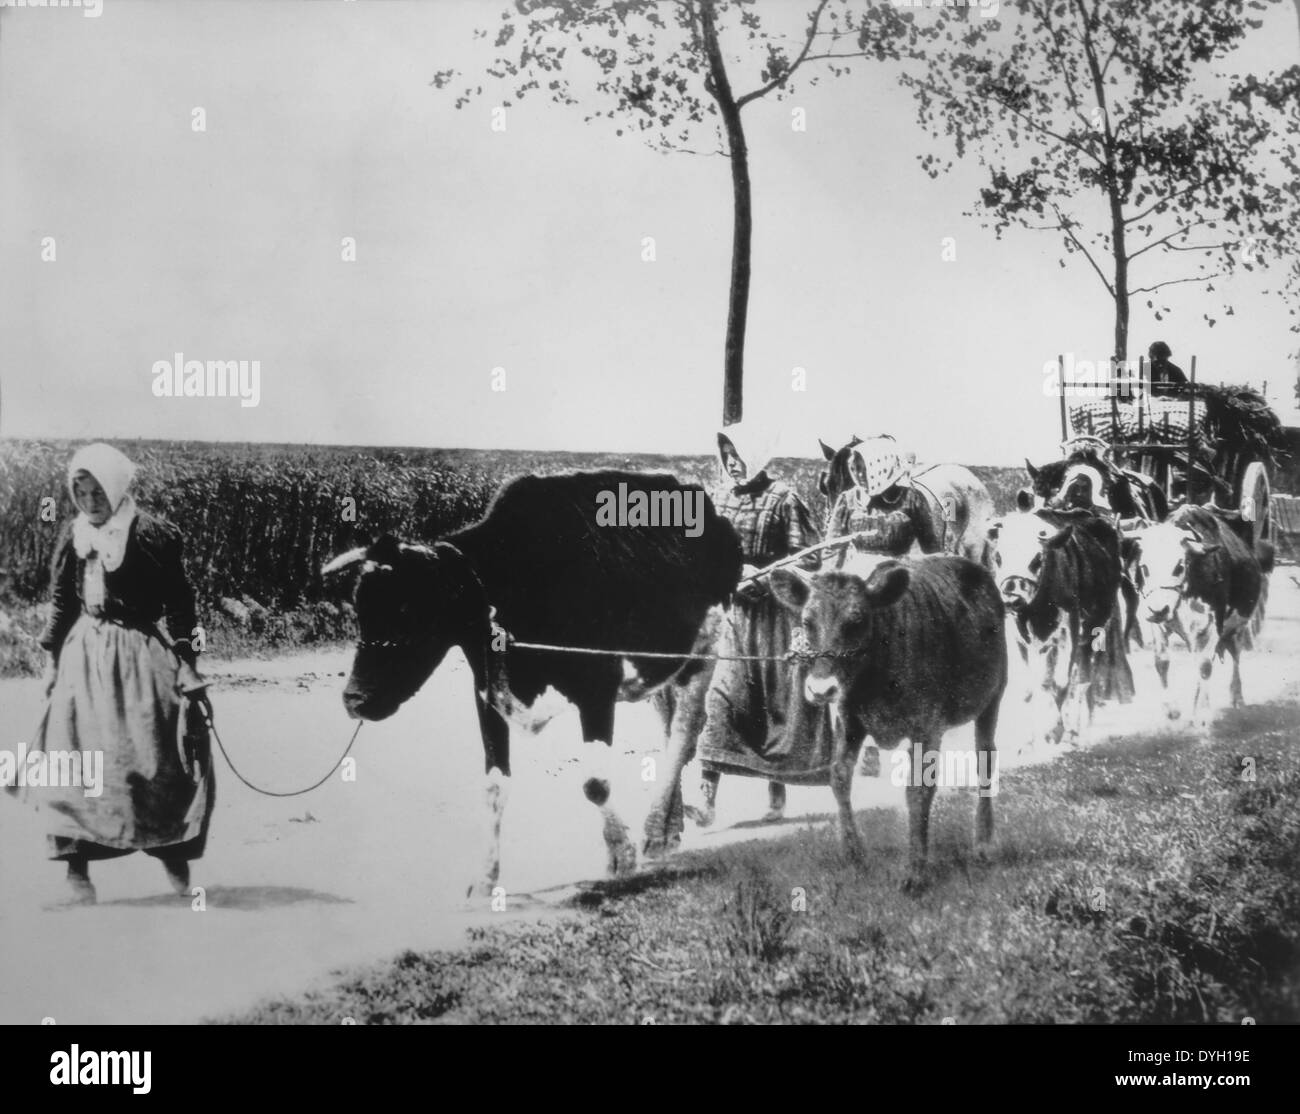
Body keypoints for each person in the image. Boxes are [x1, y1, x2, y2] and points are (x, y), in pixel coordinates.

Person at [14, 443, 215, 905]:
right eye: (80, 492)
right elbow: (64, 603)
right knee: (74, 764)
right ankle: (77, 876)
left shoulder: (150, 534)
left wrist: (187, 661)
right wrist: (50, 659)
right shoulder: (75, 534)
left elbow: (182, 603)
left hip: (138, 657)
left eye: (97, 491)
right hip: (82, 657)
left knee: (154, 761)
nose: (89, 501)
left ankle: (175, 863)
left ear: (117, 486)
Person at [692, 424, 828, 825]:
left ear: (755, 455)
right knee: (721, 698)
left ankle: (776, 794)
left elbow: (810, 560)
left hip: (777, 617)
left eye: (738, 456)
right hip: (736, 616)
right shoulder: (720, 499)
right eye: (726, 457)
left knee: (777, 707)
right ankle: (705, 797)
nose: (732, 465)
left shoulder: (784, 499)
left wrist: (764, 575)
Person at [825, 436, 941, 776]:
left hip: (894, 583)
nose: (859, 474)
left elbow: (933, 548)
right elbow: (833, 549)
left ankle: (902, 734)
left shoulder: (912, 498)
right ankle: (858, 739)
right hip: (854, 583)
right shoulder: (848, 500)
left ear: (882, 466)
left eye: (864, 467)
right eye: (854, 468)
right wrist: (831, 586)